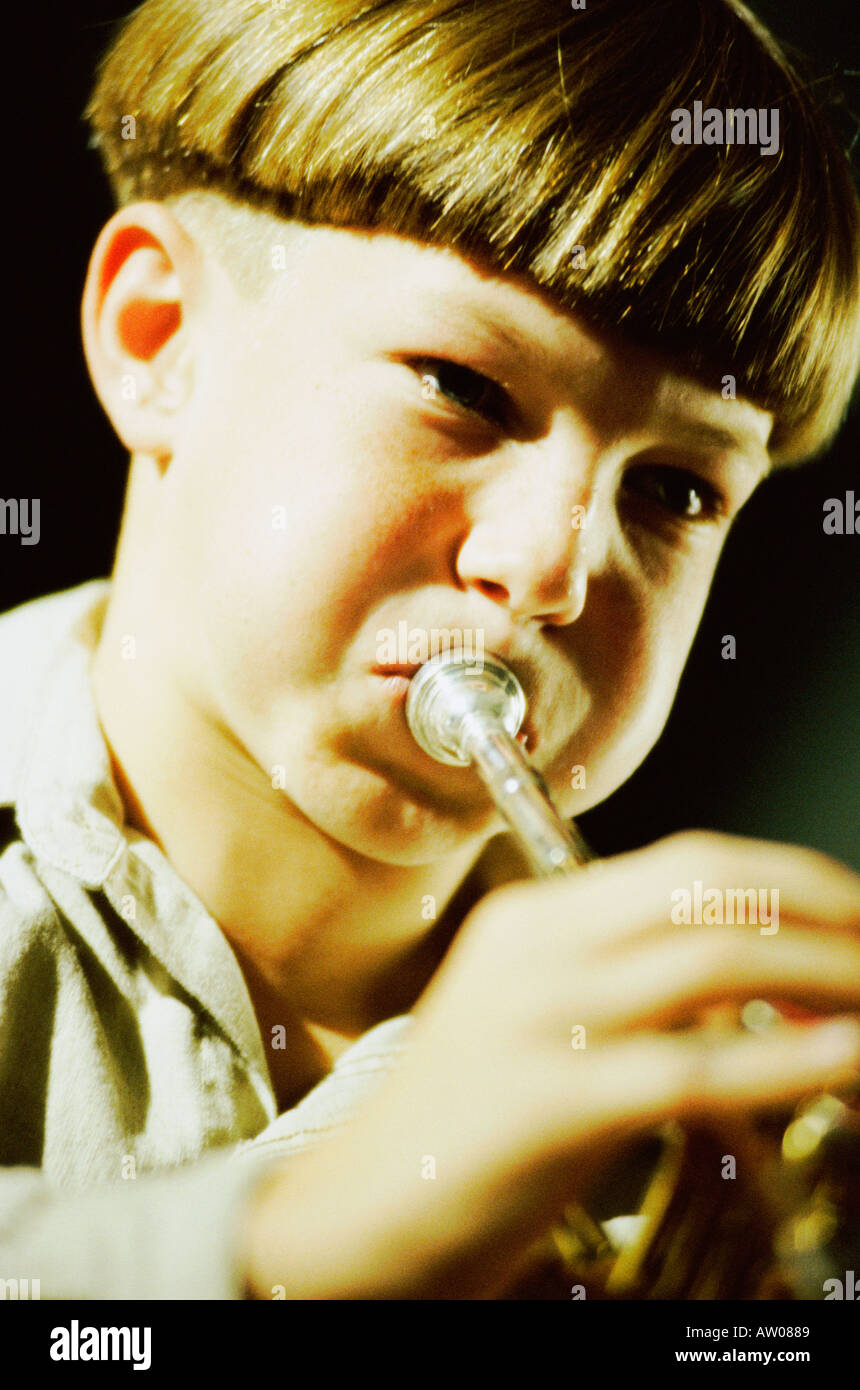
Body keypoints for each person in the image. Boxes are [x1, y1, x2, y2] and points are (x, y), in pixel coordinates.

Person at [1, 0, 858, 1300]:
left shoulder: (685, 1086)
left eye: (676, 491)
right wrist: (288, 1243)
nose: (558, 570)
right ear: (157, 339)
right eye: (466, 387)